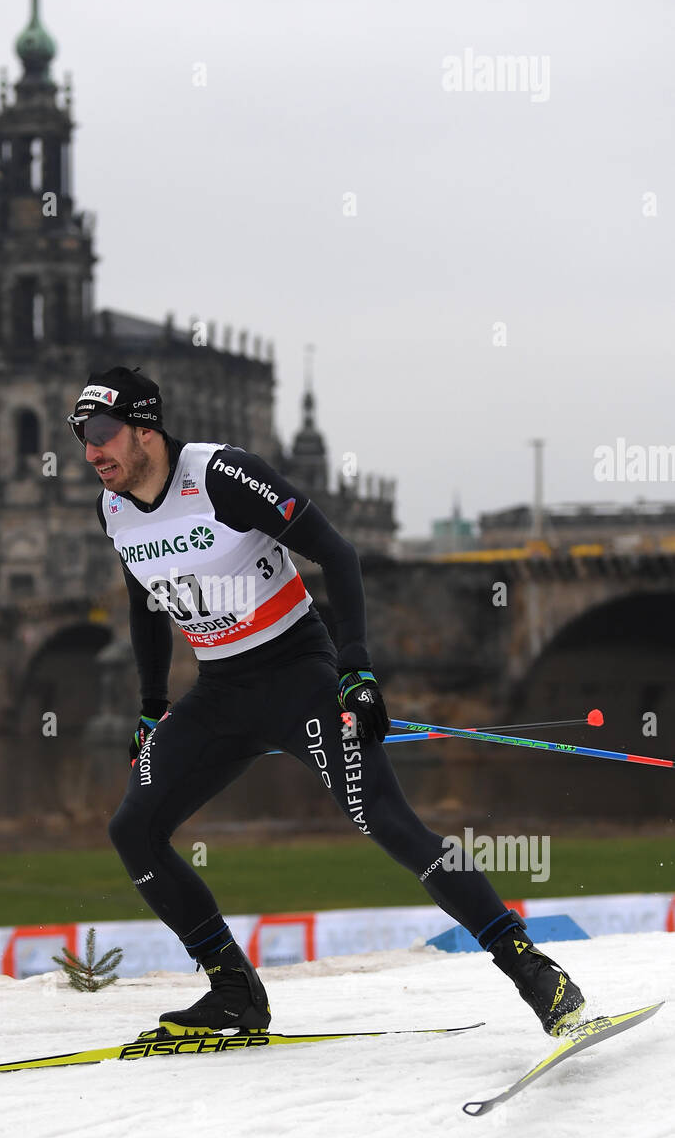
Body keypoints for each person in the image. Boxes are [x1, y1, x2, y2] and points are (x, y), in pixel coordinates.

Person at [69, 365, 585, 1038]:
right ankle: (235, 991)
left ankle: (532, 970)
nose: (91, 452)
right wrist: (150, 705)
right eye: (81, 437)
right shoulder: (112, 508)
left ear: (146, 429)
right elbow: (142, 603)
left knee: (389, 824)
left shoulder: (220, 475)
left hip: (298, 674)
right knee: (131, 830)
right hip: (221, 692)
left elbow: (336, 554)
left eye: (103, 433)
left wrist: (356, 668)